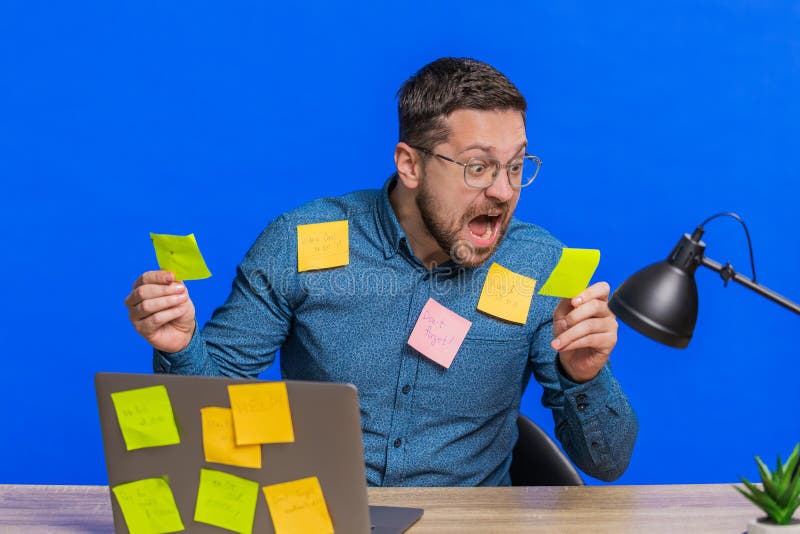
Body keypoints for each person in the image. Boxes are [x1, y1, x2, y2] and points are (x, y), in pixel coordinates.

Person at [125, 57, 638, 486]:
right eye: (478, 167)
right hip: (323, 514)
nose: (504, 191)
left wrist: (585, 375)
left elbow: (607, 463)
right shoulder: (300, 245)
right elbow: (202, 423)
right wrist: (179, 347)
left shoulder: (538, 266)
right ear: (410, 165)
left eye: (517, 165)